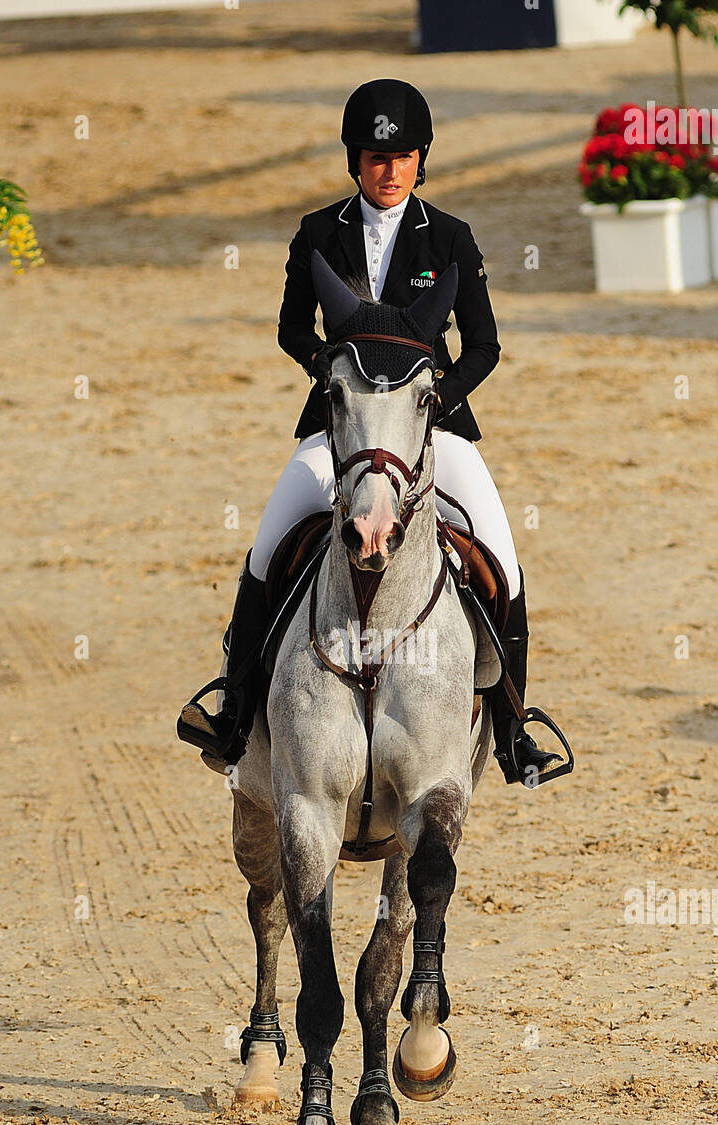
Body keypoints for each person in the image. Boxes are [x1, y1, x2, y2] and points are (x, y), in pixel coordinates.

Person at [178, 78, 568, 788]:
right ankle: (234, 707)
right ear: (355, 160)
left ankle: (514, 732)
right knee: (268, 545)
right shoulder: (317, 232)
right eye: (375, 156)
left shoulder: (450, 236)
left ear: (421, 159)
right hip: (344, 432)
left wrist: (434, 396)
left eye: (403, 156)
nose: (389, 170)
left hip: (433, 431)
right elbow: (293, 327)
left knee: (503, 560)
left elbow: (484, 343)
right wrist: (337, 377)